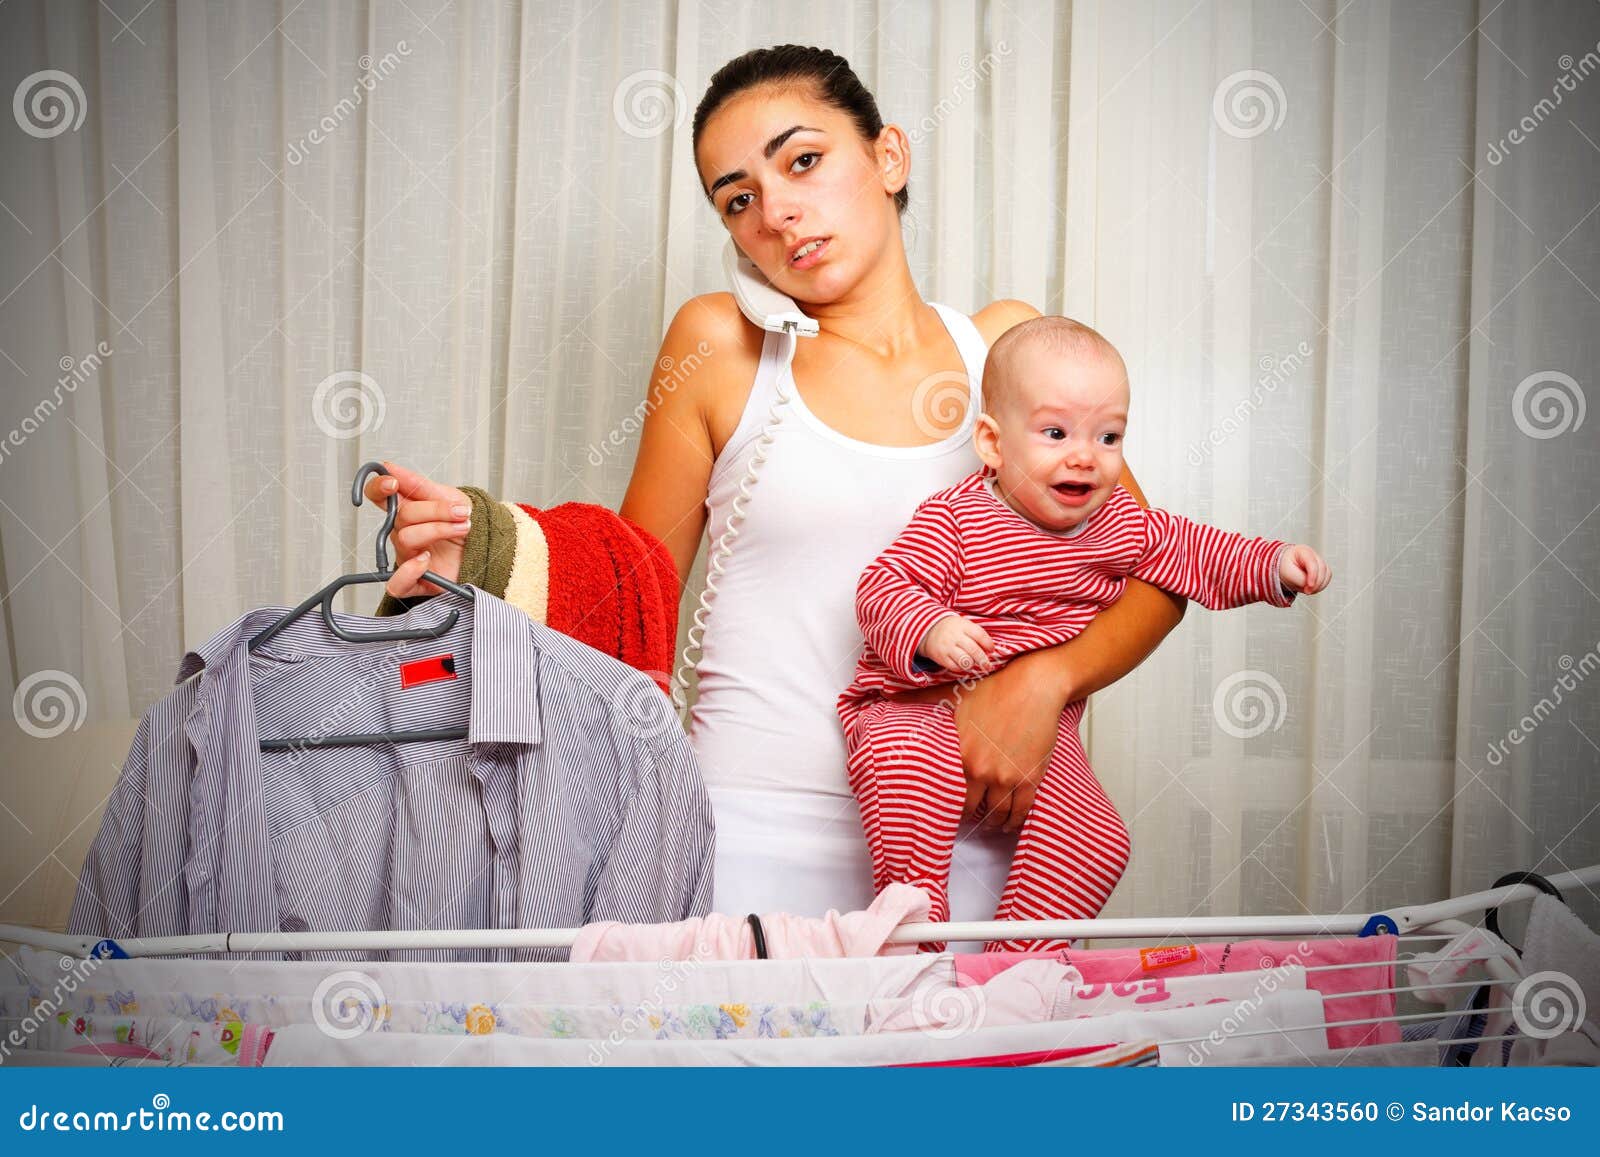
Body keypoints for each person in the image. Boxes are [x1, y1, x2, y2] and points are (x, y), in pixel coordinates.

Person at [362, 45, 1187, 923]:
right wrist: (495, 553)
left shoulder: (1006, 353)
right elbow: (638, 585)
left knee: (979, 1054)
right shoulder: (719, 344)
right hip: (748, 843)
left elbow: (1158, 568)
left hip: (980, 841)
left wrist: (1042, 684)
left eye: (803, 160)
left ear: (889, 157)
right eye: (739, 199)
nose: (778, 213)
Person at [838, 317, 1331, 948]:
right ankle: (913, 941)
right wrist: (931, 627)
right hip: (914, 708)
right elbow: (883, 587)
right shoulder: (957, 517)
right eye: (1054, 433)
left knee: (1096, 839)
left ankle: (1018, 970)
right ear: (992, 442)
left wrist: (1272, 564)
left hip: (1039, 723)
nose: (1085, 456)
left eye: (1109, 436)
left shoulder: (1118, 522)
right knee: (907, 772)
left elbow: (1195, 551)